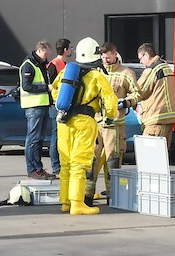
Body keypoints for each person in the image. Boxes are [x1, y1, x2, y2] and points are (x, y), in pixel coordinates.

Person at [52, 37, 117, 215]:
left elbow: (55, 92)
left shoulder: (65, 72)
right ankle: (77, 203)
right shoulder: (97, 76)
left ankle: (65, 202)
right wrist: (110, 115)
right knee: (79, 163)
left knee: (66, 163)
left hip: (64, 122)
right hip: (84, 122)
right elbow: (111, 103)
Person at [86, 41, 137, 204]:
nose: (105, 61)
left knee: (112, 161)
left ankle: (113, 196)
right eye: (103, 57)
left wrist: (127, 102)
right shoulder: (96, 72)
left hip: (114, 125)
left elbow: (137, 94)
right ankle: (87, 195)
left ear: (115, 55)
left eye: (108, 57)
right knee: (91, 161)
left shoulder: (126, 73)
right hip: (96, 124)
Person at [20, 40, 55, 180]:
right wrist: (46, 88)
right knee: (33, 139)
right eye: (46, 54)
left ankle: (38, 168)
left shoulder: (40, 64)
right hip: (34, 106)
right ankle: (32, 169)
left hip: (42, 105)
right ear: (39, 50)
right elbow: (26, 86)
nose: (47, 56)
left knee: (38, 139)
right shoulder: (29, 65)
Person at [135, 42, 175, 148]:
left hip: (156, 118)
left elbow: (139, 91)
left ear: (146, 55)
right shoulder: (165, 66)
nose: (141, 62)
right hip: (168, 117)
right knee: (161, 154)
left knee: (150, 152)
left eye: (141, 58)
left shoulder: (152, 69)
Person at [45, 38, 72, 177]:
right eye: (70, 48)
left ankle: (61, 165)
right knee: (56, 136)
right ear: (65, 49)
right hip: (56, 105)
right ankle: (56, 166)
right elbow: (50, 86)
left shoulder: (65, 65)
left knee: (62, 136)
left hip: (63, 104)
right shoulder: (54, 65)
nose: (71, 50)